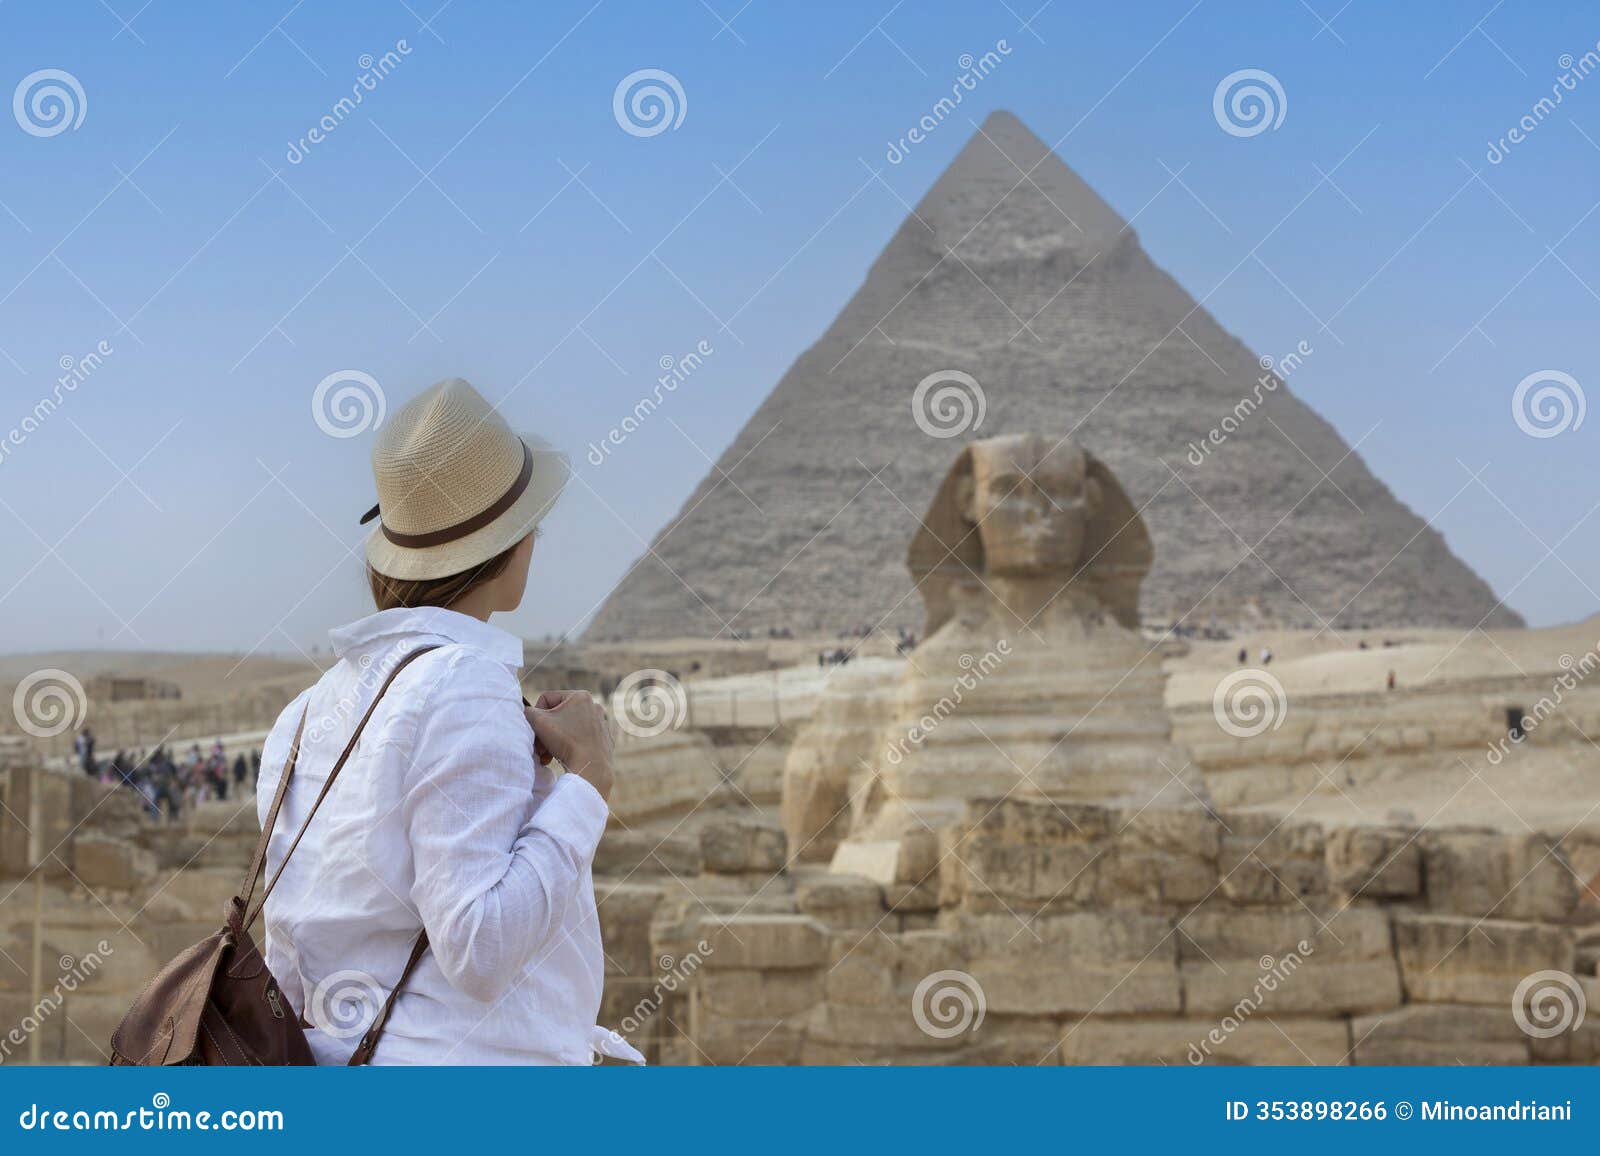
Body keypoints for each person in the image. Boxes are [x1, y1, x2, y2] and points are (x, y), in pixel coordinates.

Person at [255, 378, 641, 1067]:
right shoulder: (465, 684)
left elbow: (290, 961)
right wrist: (589, 778)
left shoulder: (304, 713)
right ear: (511, 544)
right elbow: (480, 949)